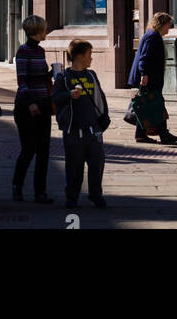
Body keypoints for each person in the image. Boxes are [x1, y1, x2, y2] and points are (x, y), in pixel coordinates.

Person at [52, 39, 109, 209]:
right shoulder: (63, 77)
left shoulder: (91, 75)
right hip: (73, 130)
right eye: (89, 55)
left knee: (97, 164)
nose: (91, 59)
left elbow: (100, 97)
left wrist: (103, 118)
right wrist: (69, 95)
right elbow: (55, 98)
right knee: (73, 166)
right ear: (79, 56)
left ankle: (96, 194)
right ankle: (72, 196)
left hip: (93, 129)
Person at [11, 14, 53, 204]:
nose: (46, 31)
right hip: (26, 107)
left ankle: (40, 192)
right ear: (37, 31)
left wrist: (53, 74)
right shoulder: (23, 51)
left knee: (44, 150)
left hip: (43, 104)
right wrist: (30, 103)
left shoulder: (41, 51)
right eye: (44, 28)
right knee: (28, 149)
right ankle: (17, 187)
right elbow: (22, 82)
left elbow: (40, 78)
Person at [128, 12, 177, 144]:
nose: (169, 28)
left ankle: (141, 134)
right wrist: (144, 74)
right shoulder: (152, 37)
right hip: (150, 78)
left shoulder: (152, 35)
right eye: (168, 25)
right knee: (157, 105)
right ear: (161, 24)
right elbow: (144, 58)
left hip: (151, 77)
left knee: (149, 105)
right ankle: (164, 135)